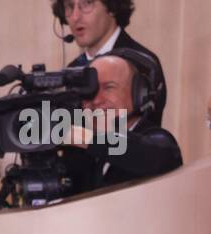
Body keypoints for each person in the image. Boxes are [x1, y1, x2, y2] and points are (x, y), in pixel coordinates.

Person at [61, 51, 181, 195]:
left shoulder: (161, 143)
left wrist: (72, 133)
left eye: (108, 87)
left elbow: (148, 157)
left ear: (139, 93)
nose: (96, 100)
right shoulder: (84, 155)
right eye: (89, 91)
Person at [52, 0, 167, 125]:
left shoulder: (142, 64)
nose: (75, 17)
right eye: (69, 6)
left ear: (112, 7)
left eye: (87, 3)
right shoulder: (73, 69)